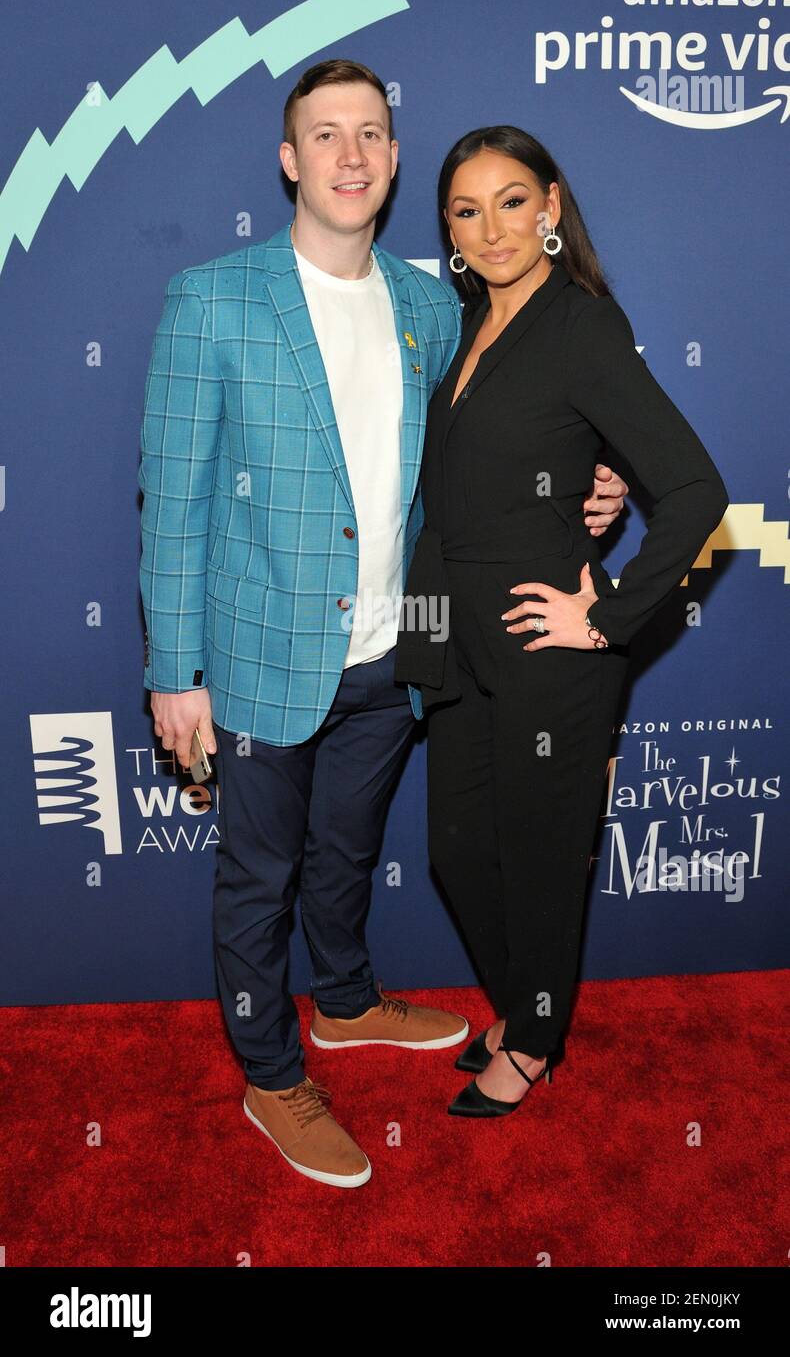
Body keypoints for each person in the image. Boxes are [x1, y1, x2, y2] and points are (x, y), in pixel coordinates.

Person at [138, 63, 628, 1187]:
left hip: (399, 652)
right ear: (289, 159)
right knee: (259, 879)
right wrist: (176, 670)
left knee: (348, 852)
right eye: (325, 135)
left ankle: (346, 1003)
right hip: (259, 652)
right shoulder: (211, 296)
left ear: (395, 160)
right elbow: (173, 497)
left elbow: (495, 446)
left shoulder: (429, 306)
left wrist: (593, 487)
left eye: (371, 134)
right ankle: (272, 1076)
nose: (350, 155)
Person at [394, 125, 729, 1118]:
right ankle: (522, 1004)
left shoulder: (578, 324)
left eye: (509, 200)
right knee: (458, 849)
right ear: (448, 231)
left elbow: (695, 488)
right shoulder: (461, 323)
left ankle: (534, 1040)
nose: (489, 227)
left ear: (548, 206)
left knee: (538, 859)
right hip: (454, 632)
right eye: (465, 208)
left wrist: (611, 615)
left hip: (550, 648)